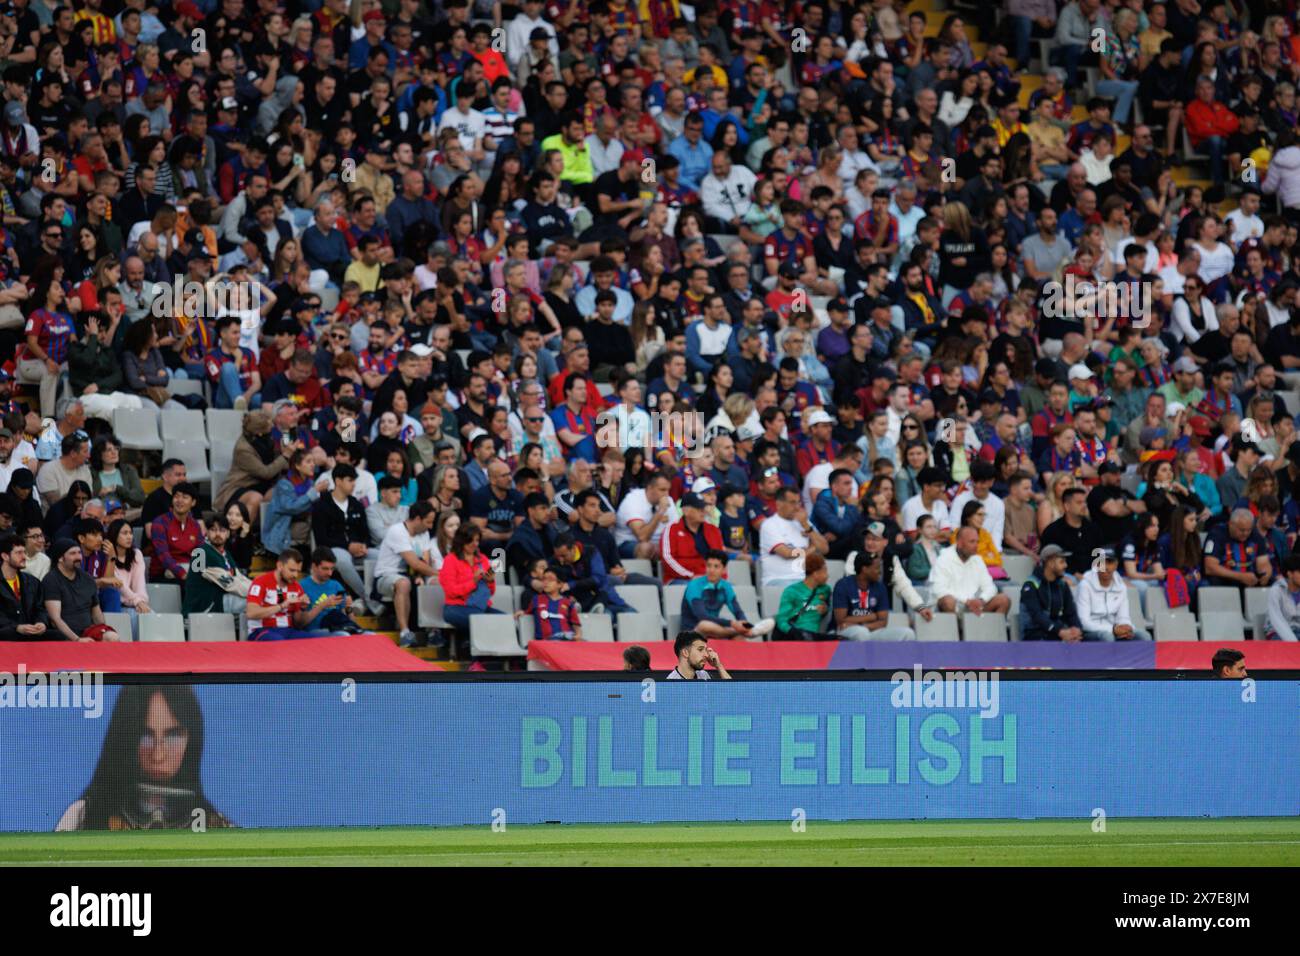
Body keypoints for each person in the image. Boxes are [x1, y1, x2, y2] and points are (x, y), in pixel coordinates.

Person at [55, 685, 231, 831]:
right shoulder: (82, 817)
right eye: (145, 735)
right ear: (124, 738)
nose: (158, 755)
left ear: (192, 741)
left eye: (173, 736)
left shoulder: (215, 823)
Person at [309, 462, 373, 612]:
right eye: (350, 480)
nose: (354, 484)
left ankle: (370, 597)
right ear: (338, 481)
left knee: (379, 556)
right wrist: (348, 546)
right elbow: (321, 538)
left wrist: (363, 546)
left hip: (357, 550)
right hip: (333, 549)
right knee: (342, 559)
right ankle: (367, 598)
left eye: (354, 481)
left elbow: (366, 533)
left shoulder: (356, 504)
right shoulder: (321, 505)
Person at [374, 501, 439, 647]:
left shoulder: (424, 533)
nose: (431, 526)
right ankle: (405, 632)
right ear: (417, 519)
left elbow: (425, 561)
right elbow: (415, 563)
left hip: (412, 574)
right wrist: (441, 574)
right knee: (404, 583)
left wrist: (421, 577)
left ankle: (433, 631)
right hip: (386, 576)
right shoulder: (397, 531)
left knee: (434, 582)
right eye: (428, 522)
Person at [246, 547, 340, 641]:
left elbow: (299, 623)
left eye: (298, 571)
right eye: (292, 570)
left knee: (314, 642)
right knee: (278, 642)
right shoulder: (261, 582)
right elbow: (251, 613)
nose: (295, 575)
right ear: (280, 566)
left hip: (288, 631)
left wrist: (302, 608)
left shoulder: (296, 587)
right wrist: (282, 606)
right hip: (262, 631)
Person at [680, 550, 774, 638]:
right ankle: (748, 632)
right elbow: (702, 616)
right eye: (709, 566)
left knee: (739, 638)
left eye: (716, 566)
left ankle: (745, 632)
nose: (711, 570)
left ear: (724, 569)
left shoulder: (726, 586)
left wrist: (743, 623)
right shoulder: (694, 585)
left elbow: (737, 611)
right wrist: (732, 624)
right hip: (692, 633)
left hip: (716, 630)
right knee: (704, 625)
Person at [42, 538, 120, 642]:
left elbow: (97, 614)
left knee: (112, 637)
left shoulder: (87, 578)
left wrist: (103, 630)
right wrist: (77, 639)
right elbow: (55, 619)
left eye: (79, 553)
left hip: (87, 631)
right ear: (60, 558)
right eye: (73, 553)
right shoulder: (51, 580)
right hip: (63, 634)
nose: (78, 557)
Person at [833, 551, 917, 641]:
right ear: (864, 569)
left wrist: (860, 624)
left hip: (872, 631)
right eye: (876, 568)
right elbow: (841, 621)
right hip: (846, 632)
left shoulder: (880, 587)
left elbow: (883, 622)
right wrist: (872, 617)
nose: (880, 572)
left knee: (908, 634)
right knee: (861, 633)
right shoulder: (843, 585)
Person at [929, 526, 1012, 615]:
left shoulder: (978, 560)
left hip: (972, 607)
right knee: (948, 601)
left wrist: (981, 600)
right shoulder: (943, 559)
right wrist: (966, 601)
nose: (976, 545)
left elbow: (990, 587)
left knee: (1003, 600)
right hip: (951, 607)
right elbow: (938, 589)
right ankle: (955, 628)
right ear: (960, 543)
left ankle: (991, 628)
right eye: (972, 541)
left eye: (977, 541)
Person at [759, 486, 829, 587]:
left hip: (805, 579)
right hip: (779, 580)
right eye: (792, 502)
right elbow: (787, 553)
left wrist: (806, 526)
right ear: (778, 504)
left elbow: (825, 549)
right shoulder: (769, 524)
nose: (797, 507)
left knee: (828, 591)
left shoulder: (804, 522)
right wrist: (813, 548)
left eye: (798, 502)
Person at [1075, 547, 1151, 641]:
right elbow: (1083, 622)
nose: (1106, 567)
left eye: (1110, 562)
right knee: (1108, 637)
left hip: (1115, 630)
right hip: (1091, 632)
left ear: (1116, 565)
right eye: (1102, 562)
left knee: (1145, 637)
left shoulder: (1121, 586)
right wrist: (1112, 630)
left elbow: (1123, 617)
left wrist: (1126, 627)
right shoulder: (1085, 585)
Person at [1020, 544, 1085, 641]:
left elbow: (1071, 613)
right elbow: (1038, 616)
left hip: (1057, 634)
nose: (1066, 565)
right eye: (1062, 562)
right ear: (1050, 563)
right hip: (1035, 637)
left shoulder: (1063, 585)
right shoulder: (1031, 585)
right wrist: (1060, 632)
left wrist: (1077, 629)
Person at [661, 491, 725, 583]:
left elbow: (721, 559)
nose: (703, 511)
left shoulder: (713, 530)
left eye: (703, 507)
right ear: (685, 511)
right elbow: (668, 559)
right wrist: (691, 576)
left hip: (711, 579)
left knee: (732, 589)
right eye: (698, 508)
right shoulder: (672, 530)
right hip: (681, 579)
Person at [298, 548, 365, 635]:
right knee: (343, 635)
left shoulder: (336, 585)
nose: (330, 573)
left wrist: (349, 608)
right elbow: (300, 623)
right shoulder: (302, 586)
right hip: (315, 630)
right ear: (314, 566)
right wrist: (323, 605)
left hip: (339, 626)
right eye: (325, 569)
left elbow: (350, 622)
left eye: (332, 569)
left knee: (369, 636)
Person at [773, 551, 837, 641]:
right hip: (794, 636)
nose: (828, 575)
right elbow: (781, 620)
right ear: (815, 574)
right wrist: (794, 633)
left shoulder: (825, 590)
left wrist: (826, 609)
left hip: (813, 637)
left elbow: (827, 608)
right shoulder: (791, 591)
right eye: (825, 571)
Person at [148, 482, 204, 582]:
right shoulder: (160, 523)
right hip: (164, 574)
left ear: (193, 502)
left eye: (185, 497)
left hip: (189, 571)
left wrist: (197, 574)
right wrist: (182, 573)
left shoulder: (195, 525)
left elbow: (200, 551)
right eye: (176, 496)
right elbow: (163, 554)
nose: (179, 501)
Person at [0, 532, 48, 640]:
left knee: (58, 636)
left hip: (30, 632)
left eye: (24, 552)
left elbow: (40, 608)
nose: (24, 556)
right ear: (5, 556)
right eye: (19, 553)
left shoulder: (32, 582)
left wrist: (41, 623)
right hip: (7, 633)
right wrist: (16, 627)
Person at [520, 565, 583, 640]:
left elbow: (575, 623)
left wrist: (578, 634)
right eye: (544, 579)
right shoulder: (536, 599)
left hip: (566, 638)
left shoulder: (568, 602)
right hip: (546, 641)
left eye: (550, 579)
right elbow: (527, 612)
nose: (546, 582)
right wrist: (522, 613)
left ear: (560, 584)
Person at [666, 630, 731, 680]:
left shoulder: (704, 676)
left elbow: (733, 692)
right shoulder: (670, 683)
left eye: (705, 650)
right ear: (685, 653)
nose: (706, 655)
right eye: (700, 649)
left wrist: (719, 666)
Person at [1264, 553, 1300, 641]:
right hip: (1277, 632)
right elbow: (1276, 620)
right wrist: (1293, 642)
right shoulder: (1276, 590)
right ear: (1290, 574)